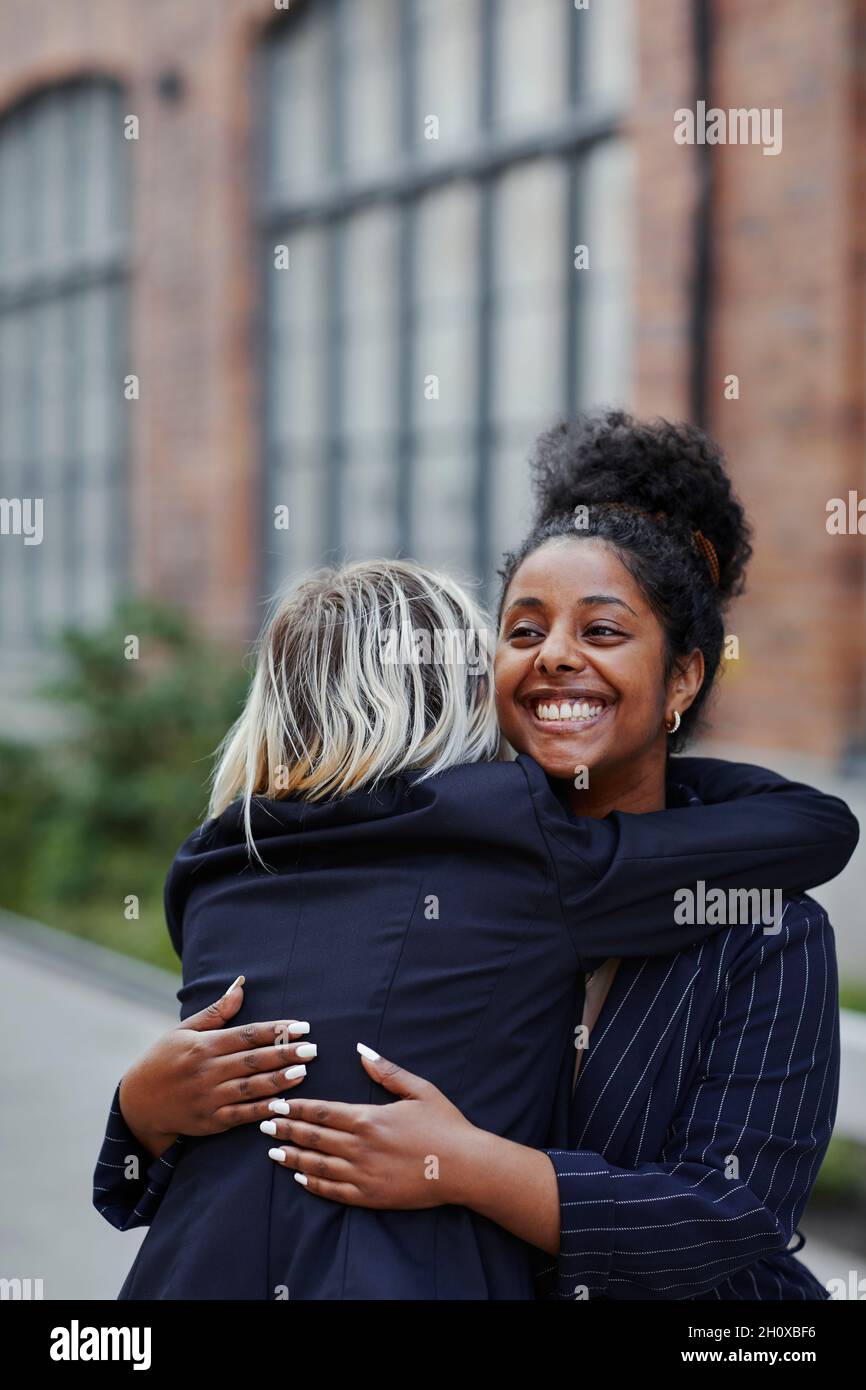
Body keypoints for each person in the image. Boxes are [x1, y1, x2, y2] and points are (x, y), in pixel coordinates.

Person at [93, 418, 857, 1299]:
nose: (556, 655)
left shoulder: (762, 928)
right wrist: (138, 1114)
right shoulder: (404, 867)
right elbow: (258, 1167)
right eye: (523, 631)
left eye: (603, 632)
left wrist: (469, 1168)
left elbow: (734, 1217)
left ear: (683, 677)